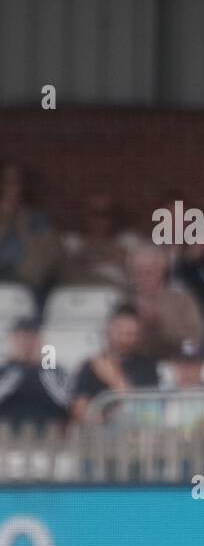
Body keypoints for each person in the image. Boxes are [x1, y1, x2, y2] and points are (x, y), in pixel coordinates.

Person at [70, 304, 160, 423]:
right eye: (119, 331)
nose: (123, 338)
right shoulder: (92, 364)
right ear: (109, 328)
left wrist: (112, 377)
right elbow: (79, 405)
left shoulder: (147, 366)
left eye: (129, 333)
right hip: (97, 433)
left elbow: (139, 407)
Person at [126, 244, 204, 361]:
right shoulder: (125, 302)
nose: (142, 277)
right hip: (134, 365)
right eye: (137, 272)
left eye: (149, 272)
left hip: (175, 363)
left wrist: (161, 325)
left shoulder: (182, 301)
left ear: (162, 271)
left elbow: (193, 341)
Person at [0, 317, 72, 430]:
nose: (27, 343)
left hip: (47, 439)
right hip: (7, 440)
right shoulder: (4, 371)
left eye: (32, 338)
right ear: (13, 340)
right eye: (22, 337)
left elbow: (68, 404)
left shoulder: (53, 371)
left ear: (40, 341)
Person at [0, 162, 61, 294]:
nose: (13, 188)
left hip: (26, 289)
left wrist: (22, 224)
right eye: (7, 182)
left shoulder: (40, 221)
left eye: (17, 182)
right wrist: (4, 223)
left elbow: (39, 271)